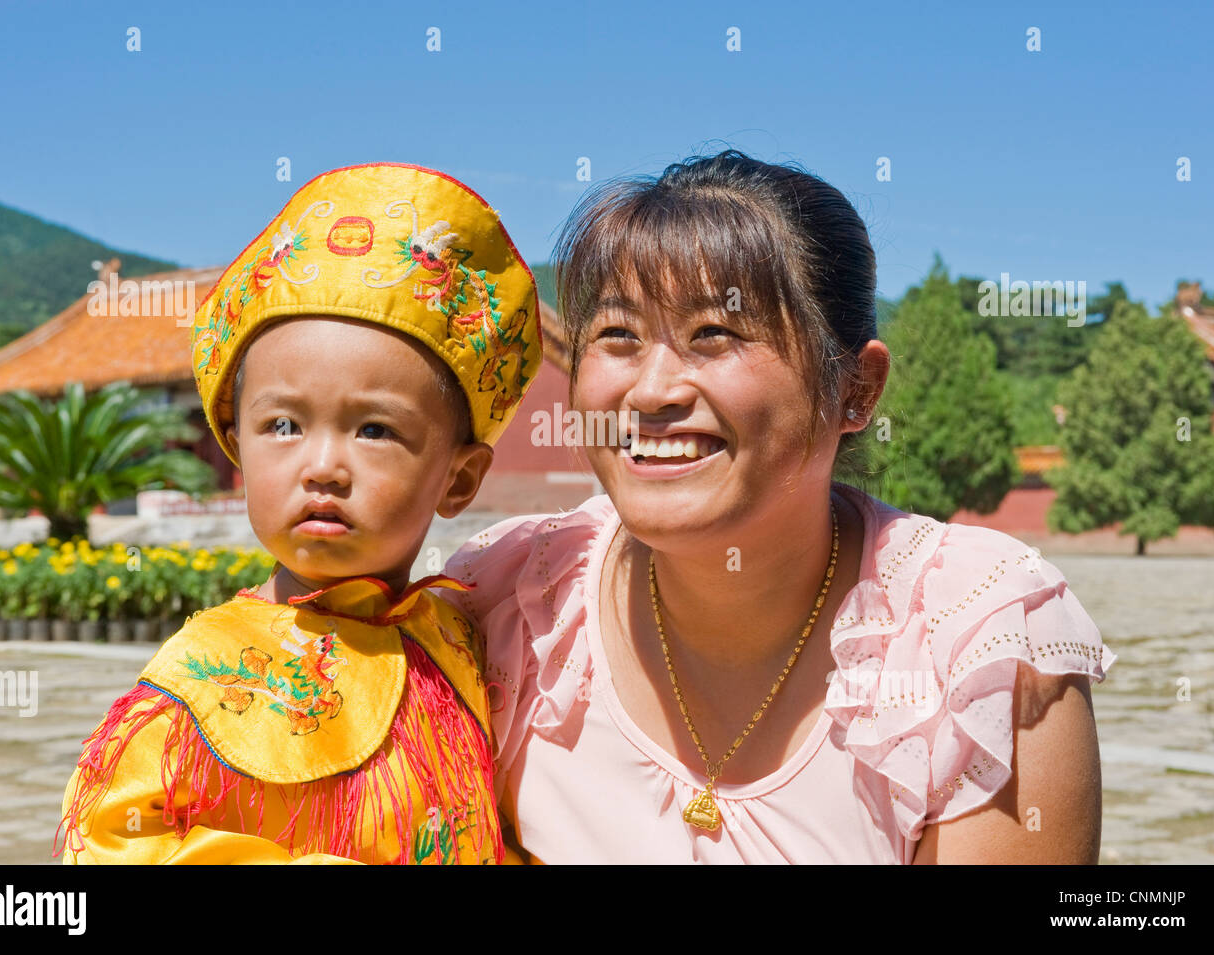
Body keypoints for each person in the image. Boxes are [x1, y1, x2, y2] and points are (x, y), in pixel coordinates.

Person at [444, 150, 1116, 864]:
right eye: (618, 336)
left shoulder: (975, 637)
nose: (651, 392)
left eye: (714, 334)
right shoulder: (513, 600)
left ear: (855, 389)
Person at [55, 162, 542, 864]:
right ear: (236, 450)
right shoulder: (200, 670)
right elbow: (103, 843)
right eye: (283, 426)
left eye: (373, 430)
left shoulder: (463, 647)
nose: (321, 465)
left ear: (459, 479)